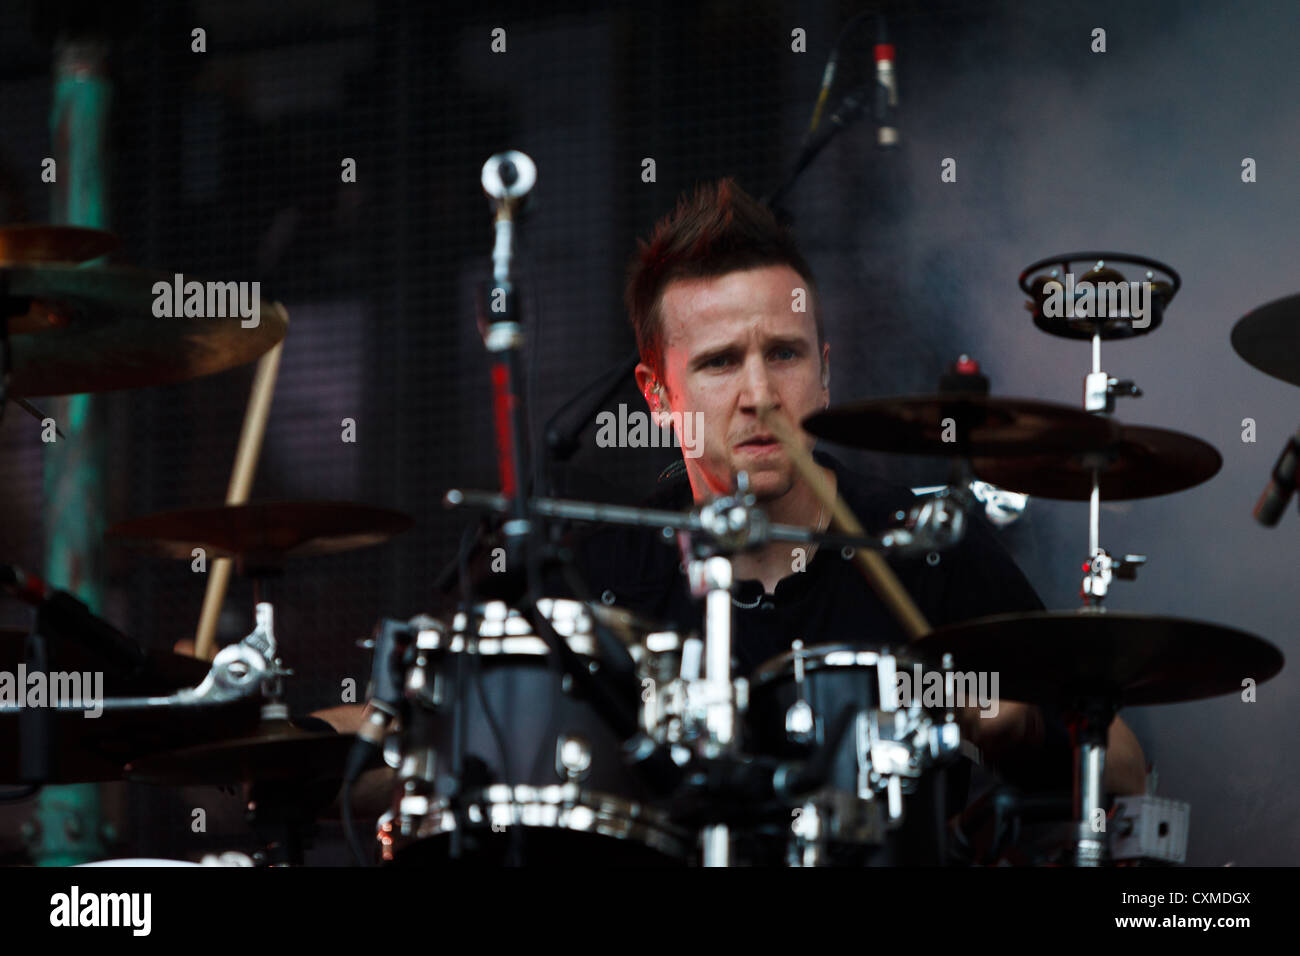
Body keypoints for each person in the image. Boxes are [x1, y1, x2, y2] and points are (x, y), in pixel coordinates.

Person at [570, 175, 1145, 797]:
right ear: (657, 396)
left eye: (785, 355)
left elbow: (1124, 768)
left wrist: (1023, 730)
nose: (760, 396)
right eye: (721, 362)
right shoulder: (606, 583)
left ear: (825, 374)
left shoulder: (922, 548)